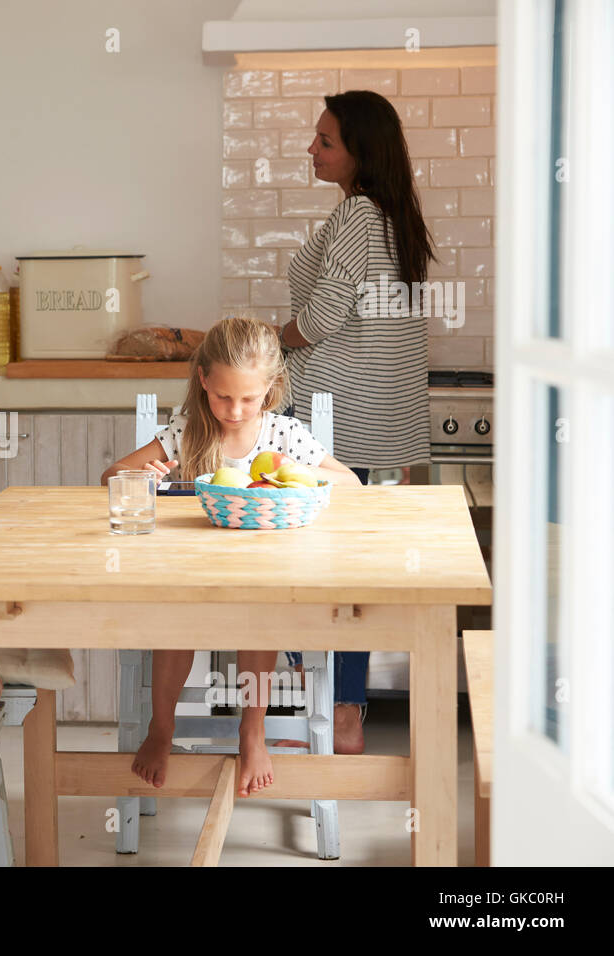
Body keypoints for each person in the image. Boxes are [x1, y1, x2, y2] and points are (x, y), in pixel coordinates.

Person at [100, 317, 362, 797]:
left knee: (257, 617)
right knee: (175, 620)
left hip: (266, 580)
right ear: (203, 381)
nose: (236, 410)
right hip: (193, 577)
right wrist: (147, 479)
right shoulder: (188, 431)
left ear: (271, 389)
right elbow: (112, 474)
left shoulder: (284, 436)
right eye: (224, 397)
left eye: (248, 398)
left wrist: (295, 469)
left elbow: (351, 483)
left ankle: (253, 729)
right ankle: (162, 727)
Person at [277, 90, 436, 753]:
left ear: (359, 151)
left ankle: (331, 714)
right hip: (371, 417)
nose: (312, 150)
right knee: (341, 567)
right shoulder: (393, 217)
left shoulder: (359, 215)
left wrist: (267, 339)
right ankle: (338, 713)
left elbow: (317, 322)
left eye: (325, 142)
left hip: (331, 417)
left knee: (302, 561)